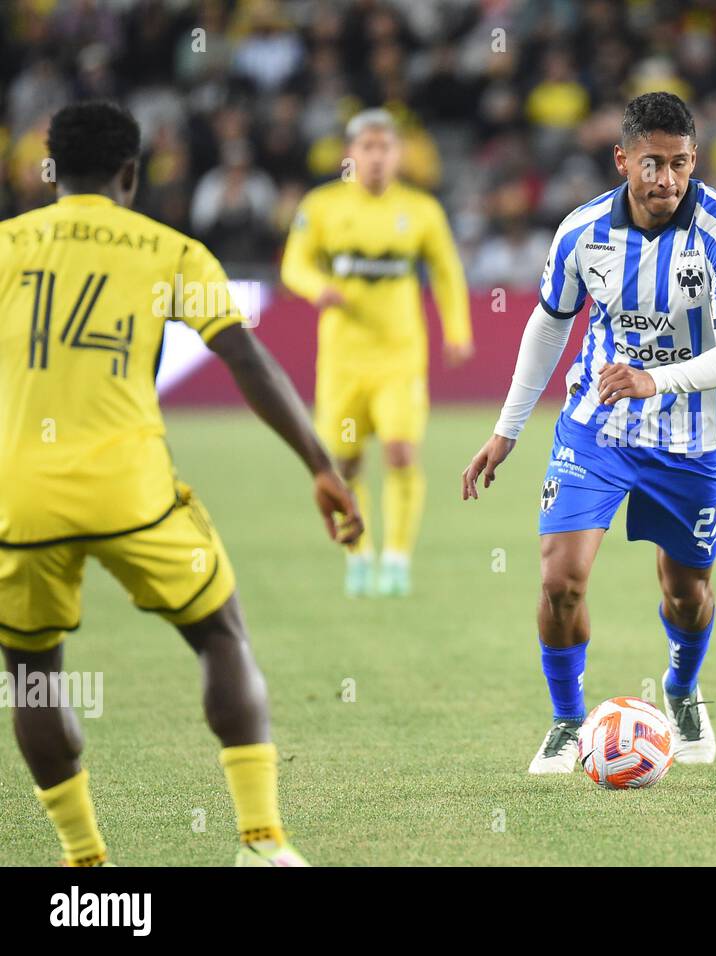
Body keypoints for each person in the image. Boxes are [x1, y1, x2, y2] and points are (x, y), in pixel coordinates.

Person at [0, 101, 361, 866]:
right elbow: (244, 359)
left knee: (32, 675)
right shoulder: (169, 249)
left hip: (20, 496)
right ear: (132, 173)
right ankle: (262, 842)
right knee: (218, 633)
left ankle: (85, 861)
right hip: (131, 491)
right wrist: (321, 465)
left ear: (52, 169)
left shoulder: (5, 246)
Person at [462, 92, 716, 773]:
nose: (667, 180)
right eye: (652, 163)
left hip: (690, 440)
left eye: (681, 164)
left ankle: (683, 692)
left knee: (685, 593)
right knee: (559, 579)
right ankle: (569, 720)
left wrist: (658, 380)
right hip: (596, 428)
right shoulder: (581, 231)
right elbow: (549, 324)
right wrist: (508, 429)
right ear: (622, 158)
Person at [281, 108, 473, 598]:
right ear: (351, 154)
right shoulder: (321, 206)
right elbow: (293, 265)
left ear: (398, 154)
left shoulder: (422, 210)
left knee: (401, 451)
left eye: (385, 148)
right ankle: (358, 555)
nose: (376, 158)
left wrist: (457, 329)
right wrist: (316, 287)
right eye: (367, 148)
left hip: (400, 355)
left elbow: (447, 271)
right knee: (343, 465)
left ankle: (397, 558)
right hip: (343, 358)